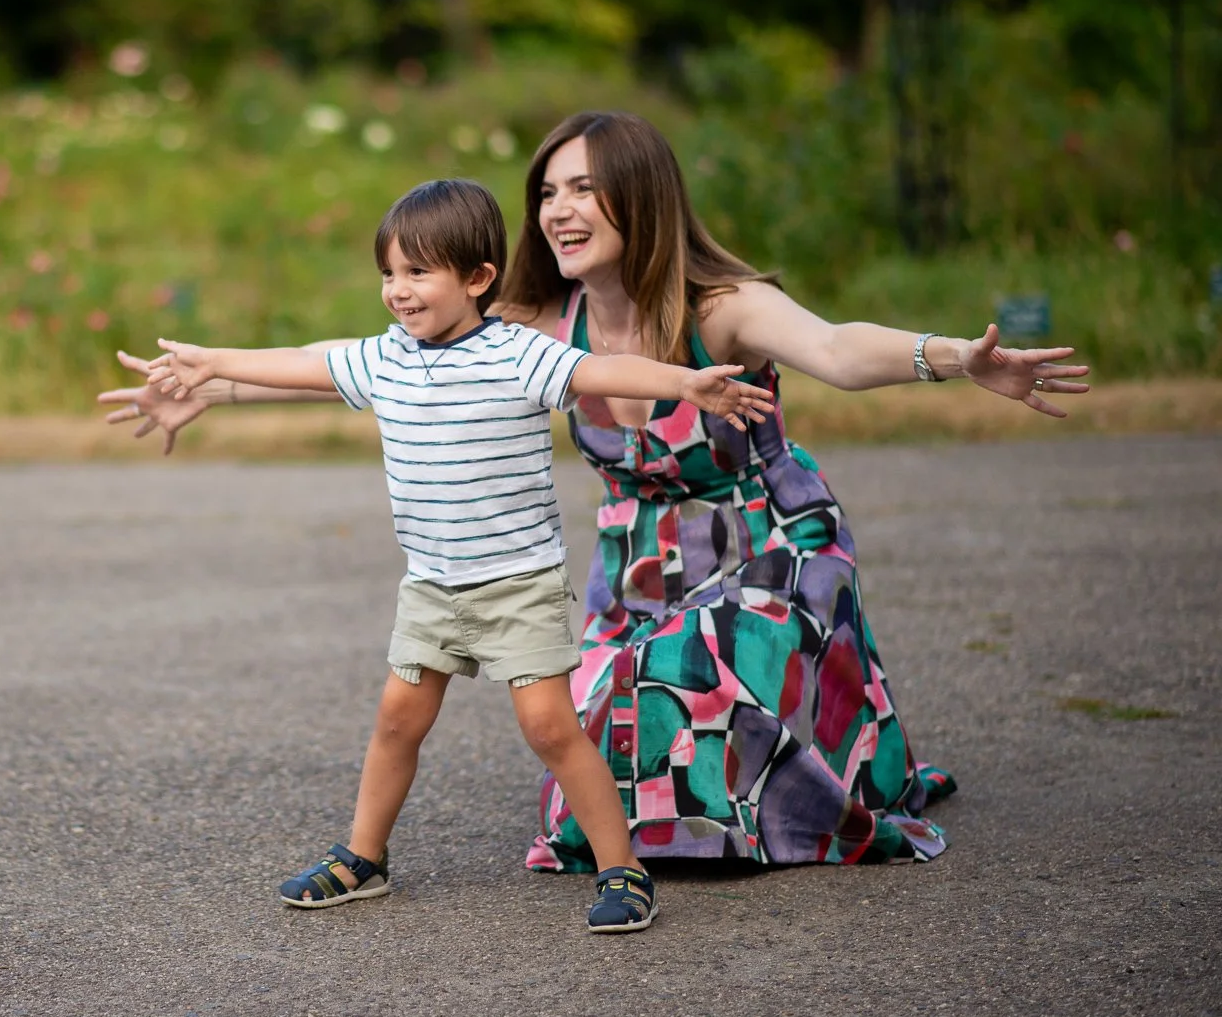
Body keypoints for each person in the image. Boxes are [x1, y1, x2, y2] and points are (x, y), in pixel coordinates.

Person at [104, 111, 1090, 873]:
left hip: (769, 550)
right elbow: (391, 370)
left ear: (640, 197)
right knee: (582, 732)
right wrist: (212, 388)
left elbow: (835, 348)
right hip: (638, 564)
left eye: (584, 188)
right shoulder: (536, 320)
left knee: (675, 667)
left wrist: (953, 357)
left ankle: (752, 810)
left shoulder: (721, 308)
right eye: (548, 191)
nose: (559, 209)